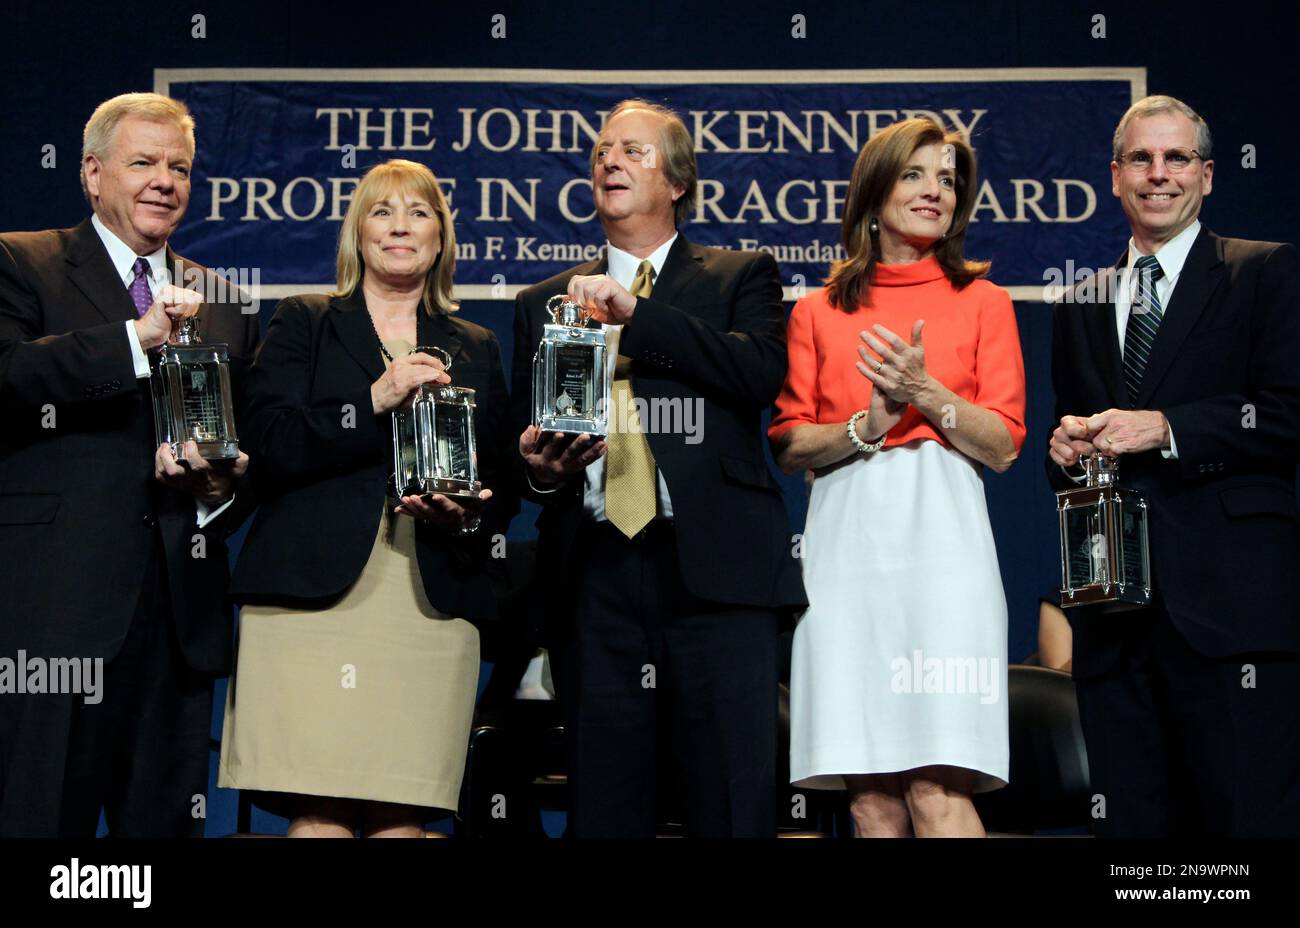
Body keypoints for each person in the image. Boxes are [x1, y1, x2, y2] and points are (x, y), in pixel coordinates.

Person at [510, 98, 806, 838]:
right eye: (603, 151)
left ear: (678, 182)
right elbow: (526, 454)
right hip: (596, 576)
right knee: (605, 808)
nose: (610, 161)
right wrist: (540, 470)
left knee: (731, 805)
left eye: (634, 152)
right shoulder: (542, 302)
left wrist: (636, 313)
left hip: (715, 572)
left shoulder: (740, 275)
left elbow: (758, 373)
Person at [219, 159, 514, 837]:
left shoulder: (476, 346)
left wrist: (468, 513)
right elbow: (271, 440)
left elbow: (497, 481)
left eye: (419, 212)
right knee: (318, 811)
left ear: (441, 237)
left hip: (429, 600)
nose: (401, 226)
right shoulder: (306, 321)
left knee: (404, 817)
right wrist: (375, 401)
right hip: (312, 599)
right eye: (382, 212)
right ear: (358, 234)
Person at [0, 92, 258, 837]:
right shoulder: (22, 261)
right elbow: (7, 374)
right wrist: (134, 338)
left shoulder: (226, 300)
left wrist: (219, 488)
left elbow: (243, 447)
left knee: (163, 828)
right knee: (41, 820)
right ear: (91, 173)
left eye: (179, 167)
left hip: (175, 614)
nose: (164, 181)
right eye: (143, 162)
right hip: (54, 608)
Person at [1048, 94, 1300, 837]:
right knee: (1134, 831)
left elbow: (1289, 413)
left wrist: (1166, 427)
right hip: (1116, 621)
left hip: (1232, 614)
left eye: (1177, 158)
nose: (1160, 175)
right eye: (1141, 160)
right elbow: (1079, 460)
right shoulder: (1080, 300)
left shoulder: (1265, 273)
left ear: (1209, 176)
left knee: (1244, 823)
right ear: (1115, 177)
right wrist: (1065, 453)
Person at [770, 117, 1026, 838]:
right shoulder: (819, 311)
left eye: (947, 180)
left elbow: (1004, 443)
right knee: (870, 798)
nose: (934, 191)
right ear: (874, 192)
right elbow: (790, 441)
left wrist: (927, 393)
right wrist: (870, 425)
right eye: (915, 175)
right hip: (847, 554)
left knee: (935, 787)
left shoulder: (986, 304)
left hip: (945, 555)